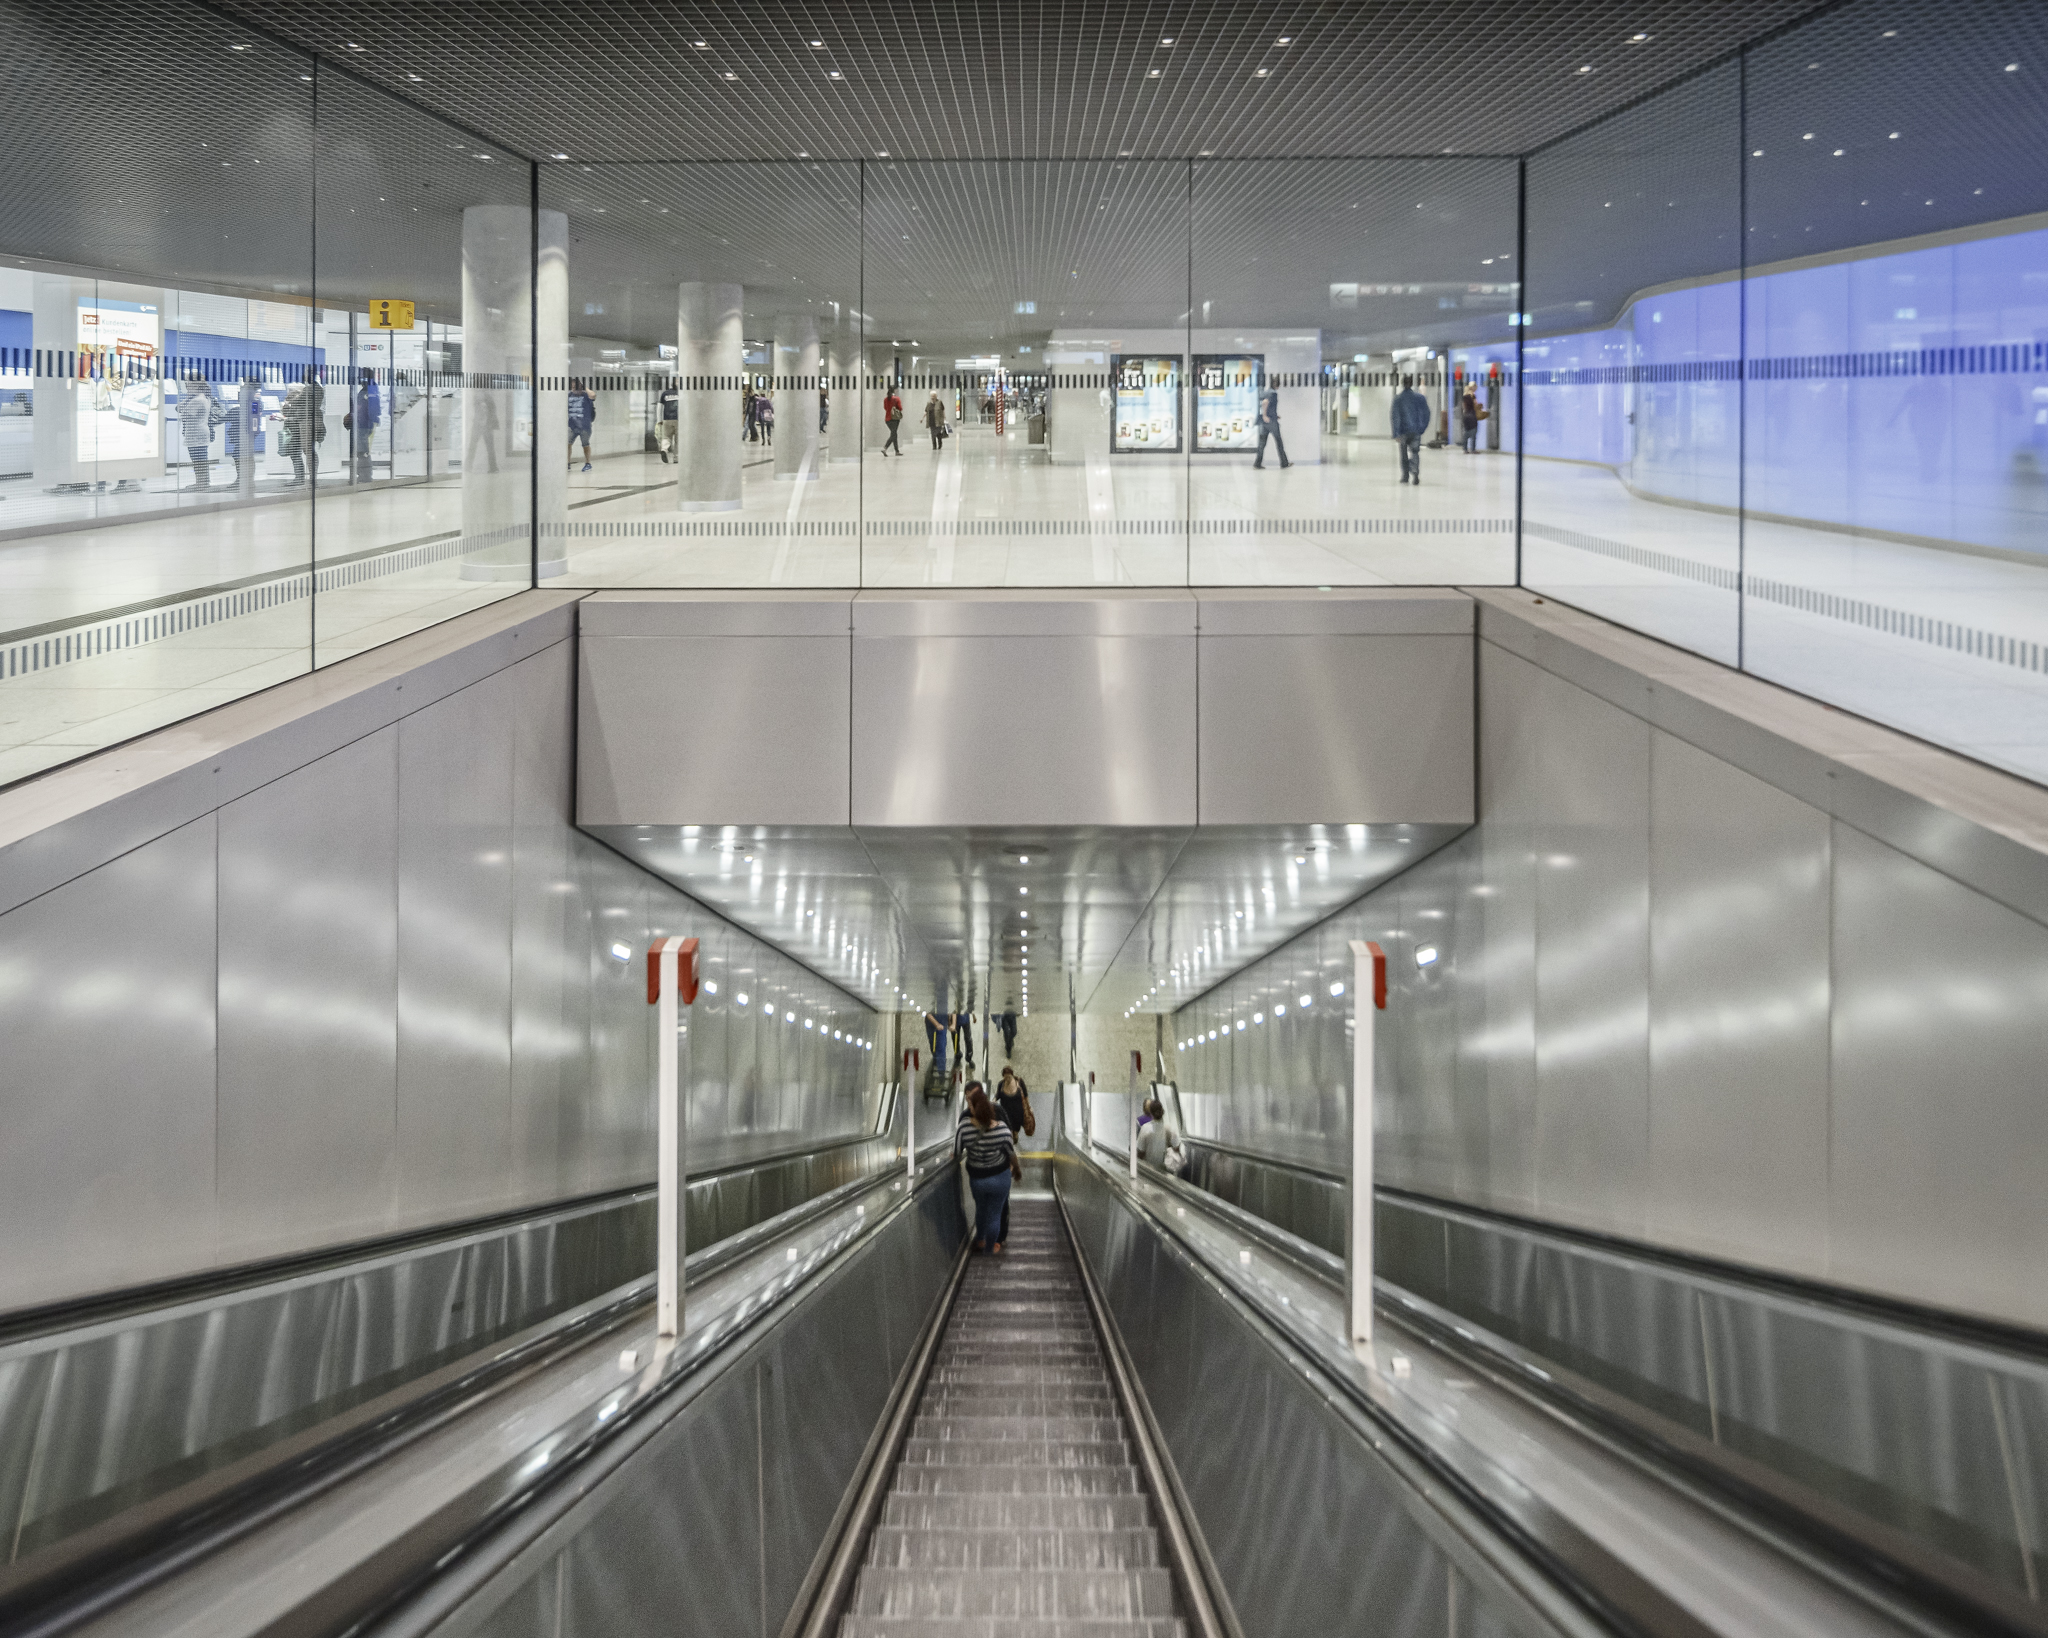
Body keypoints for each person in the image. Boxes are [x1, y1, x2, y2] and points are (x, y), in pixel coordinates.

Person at [955, 1085, 1021, 1254]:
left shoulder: (964, 1127)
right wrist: (1016, 1170)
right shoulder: (1002, 1129)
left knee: (981, 1210)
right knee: (995, 1214)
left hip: (978, 1179)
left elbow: (956, 1153)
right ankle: (990, 1248)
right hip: (1000, 1177)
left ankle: (980, 1240)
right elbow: (1011, 1152)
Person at [174, 373, 223, 491]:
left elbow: (184, 413)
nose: (186, 386)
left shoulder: (198, 400)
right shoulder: (203, 397)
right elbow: (179, 408)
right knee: (199, 459)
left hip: (197, 434)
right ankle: (202, 482)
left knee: (199, 460)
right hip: (198, 433)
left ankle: (202, 483)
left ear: (195, 384)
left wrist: (187, 401)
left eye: (188, 384)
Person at [1391, 373, 1430, 485]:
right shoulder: (1420, 398)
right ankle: (1415, 472)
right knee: (1415, 452)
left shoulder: (1398, 399)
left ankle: (1405, 475)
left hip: (1403, 431)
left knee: (1403, 454)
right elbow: (1426, 413)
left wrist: (1396, 433)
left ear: (1402, 384)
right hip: (1416, 430)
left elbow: (1395, 416)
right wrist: (1422, 427)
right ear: (1412, 383)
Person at [349, 367, 380, 482]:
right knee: (362, 450)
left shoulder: (369, 390)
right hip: (363, 423)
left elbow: (371, 408)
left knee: (363, 450)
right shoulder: (370, 389)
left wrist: (370, 422)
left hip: (365, 424)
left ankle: (365, 474)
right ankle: (363, 473)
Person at [1253, 384, 1290, 469]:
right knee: (1279, 442)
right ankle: (1284, 463)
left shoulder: (1266, 392)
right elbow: (1265, 402)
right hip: (1271, 422)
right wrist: (1265, 415)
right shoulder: (1273, 393)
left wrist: (1271, 415)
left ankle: (1257, 463)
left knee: (1262, 444)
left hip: (1265, 423)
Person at [567, 379, 597, 472]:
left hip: (584, 425)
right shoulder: (569, 395)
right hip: (572, 425)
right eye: (572, 387)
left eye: (575, 386)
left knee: (585, 444)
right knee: (567, 444)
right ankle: (567, 463)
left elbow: (593, 395)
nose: (573, 389)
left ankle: (588, 463)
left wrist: (584, 388)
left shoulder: (585, 395)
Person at [657, 379, 678, 463]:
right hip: (679, 419)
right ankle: (676, 457)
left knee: (666, 437)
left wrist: (659, 420)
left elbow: (659, 407)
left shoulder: (665, 393)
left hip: (666, 419)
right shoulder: (683, 393)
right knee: (678, 440)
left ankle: (664, 449)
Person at [880, 385, 904, 456]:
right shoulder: (897, 399)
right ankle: (885, 448)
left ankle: (897, 451)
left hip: (887, 419)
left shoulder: (885, 399)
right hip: (895, 419)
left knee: (894, 434)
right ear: (895, 391)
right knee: (893, 434)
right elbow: (900, 408)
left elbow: (885, 408)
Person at [1460, 382, 1480, 454]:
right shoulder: (1472, 395)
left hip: (1465, 415)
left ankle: (1465, 449)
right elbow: (1476, 404)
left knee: (1466, 432)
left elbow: (1463, 407)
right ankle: (1473, 449)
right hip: (1472, 415)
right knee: (1473, 432)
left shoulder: (1464, 395)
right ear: (1473, 387)